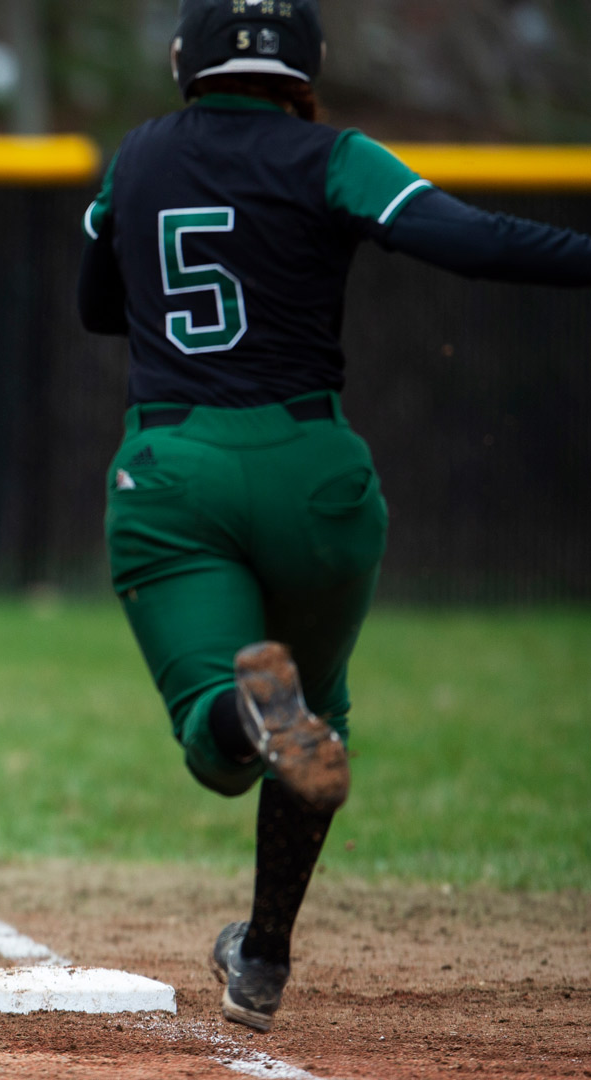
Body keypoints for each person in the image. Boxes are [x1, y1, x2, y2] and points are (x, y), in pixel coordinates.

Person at [77, 0, 591, 1034]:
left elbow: (98, 304)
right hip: (316, 474)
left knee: (220, 750)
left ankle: (251, 721)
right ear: (303, 65)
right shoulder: (332, 156)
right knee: (323, 721)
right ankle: (262, 956)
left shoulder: (139, 157)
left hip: (176, 473)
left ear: (187, 62)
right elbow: (472, 241)